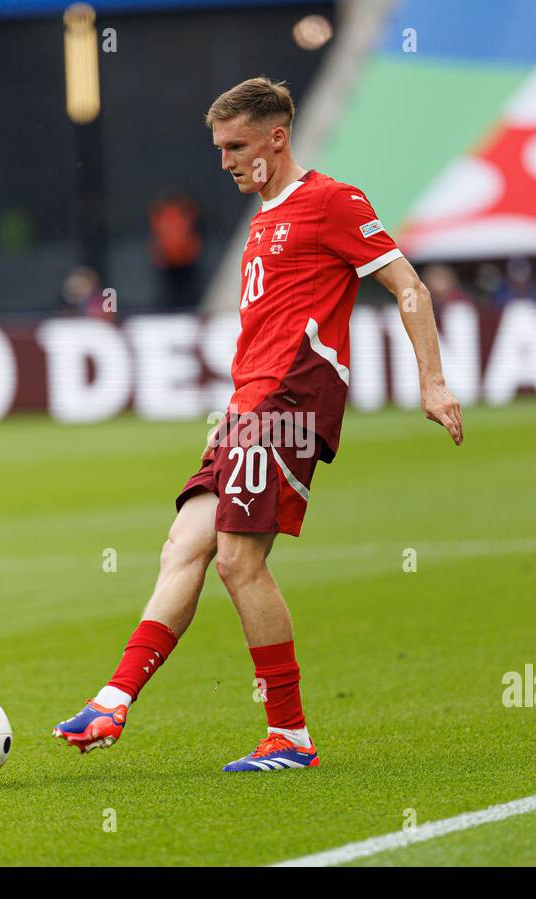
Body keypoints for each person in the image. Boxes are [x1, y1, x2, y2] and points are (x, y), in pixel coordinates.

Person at [52, 76, 464, 772]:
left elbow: (410, 286)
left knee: (240, 561)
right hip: (246, 407)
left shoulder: (330, 201)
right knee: (184, 543)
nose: (226, 160)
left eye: (237, 145)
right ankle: (113, 700)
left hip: (288, 404)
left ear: (278, 137)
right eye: (219, 148)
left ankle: (290, 735)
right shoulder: (266, 214)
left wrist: (433, 380)